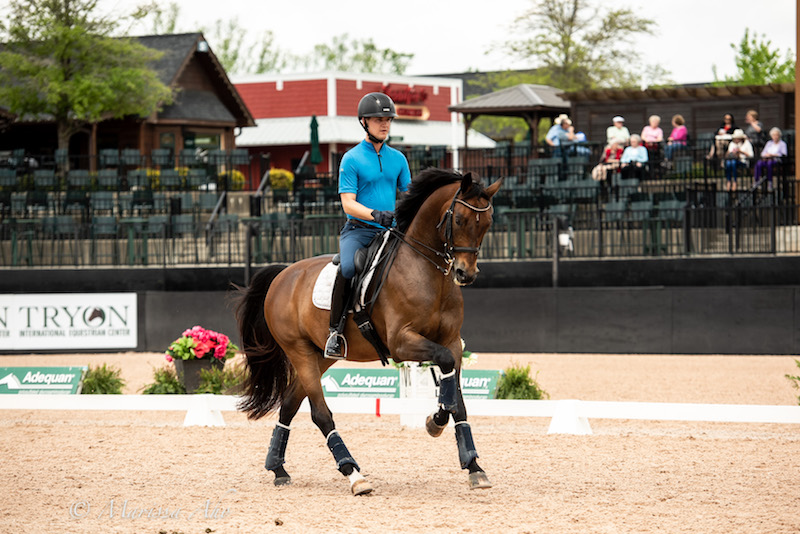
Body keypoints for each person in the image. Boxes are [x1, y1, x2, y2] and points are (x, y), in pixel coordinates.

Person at [325, 92, 411, 359]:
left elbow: (410, 195)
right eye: (378, 119)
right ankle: (335, 332)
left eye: (388, 119)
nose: (384, 124)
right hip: (360, 230)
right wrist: (375, 214)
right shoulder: (351, 158)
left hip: (392, 230)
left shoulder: (398, 158)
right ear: (364, 122)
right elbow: (348, 204)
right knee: (349, 267)